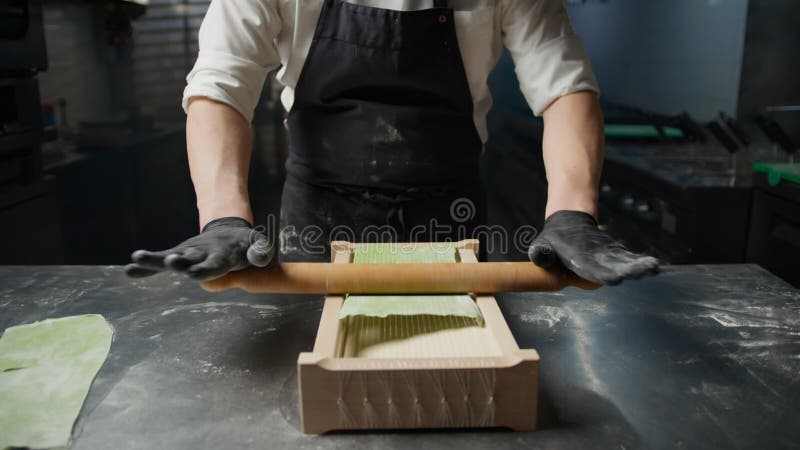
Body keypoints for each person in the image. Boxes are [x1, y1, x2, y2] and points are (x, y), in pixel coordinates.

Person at [125, 0, 658, 285]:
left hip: (450, 219)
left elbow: (564, 86)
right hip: (318, 223)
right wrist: (222, 217)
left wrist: (571, 213)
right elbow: (219, 88)